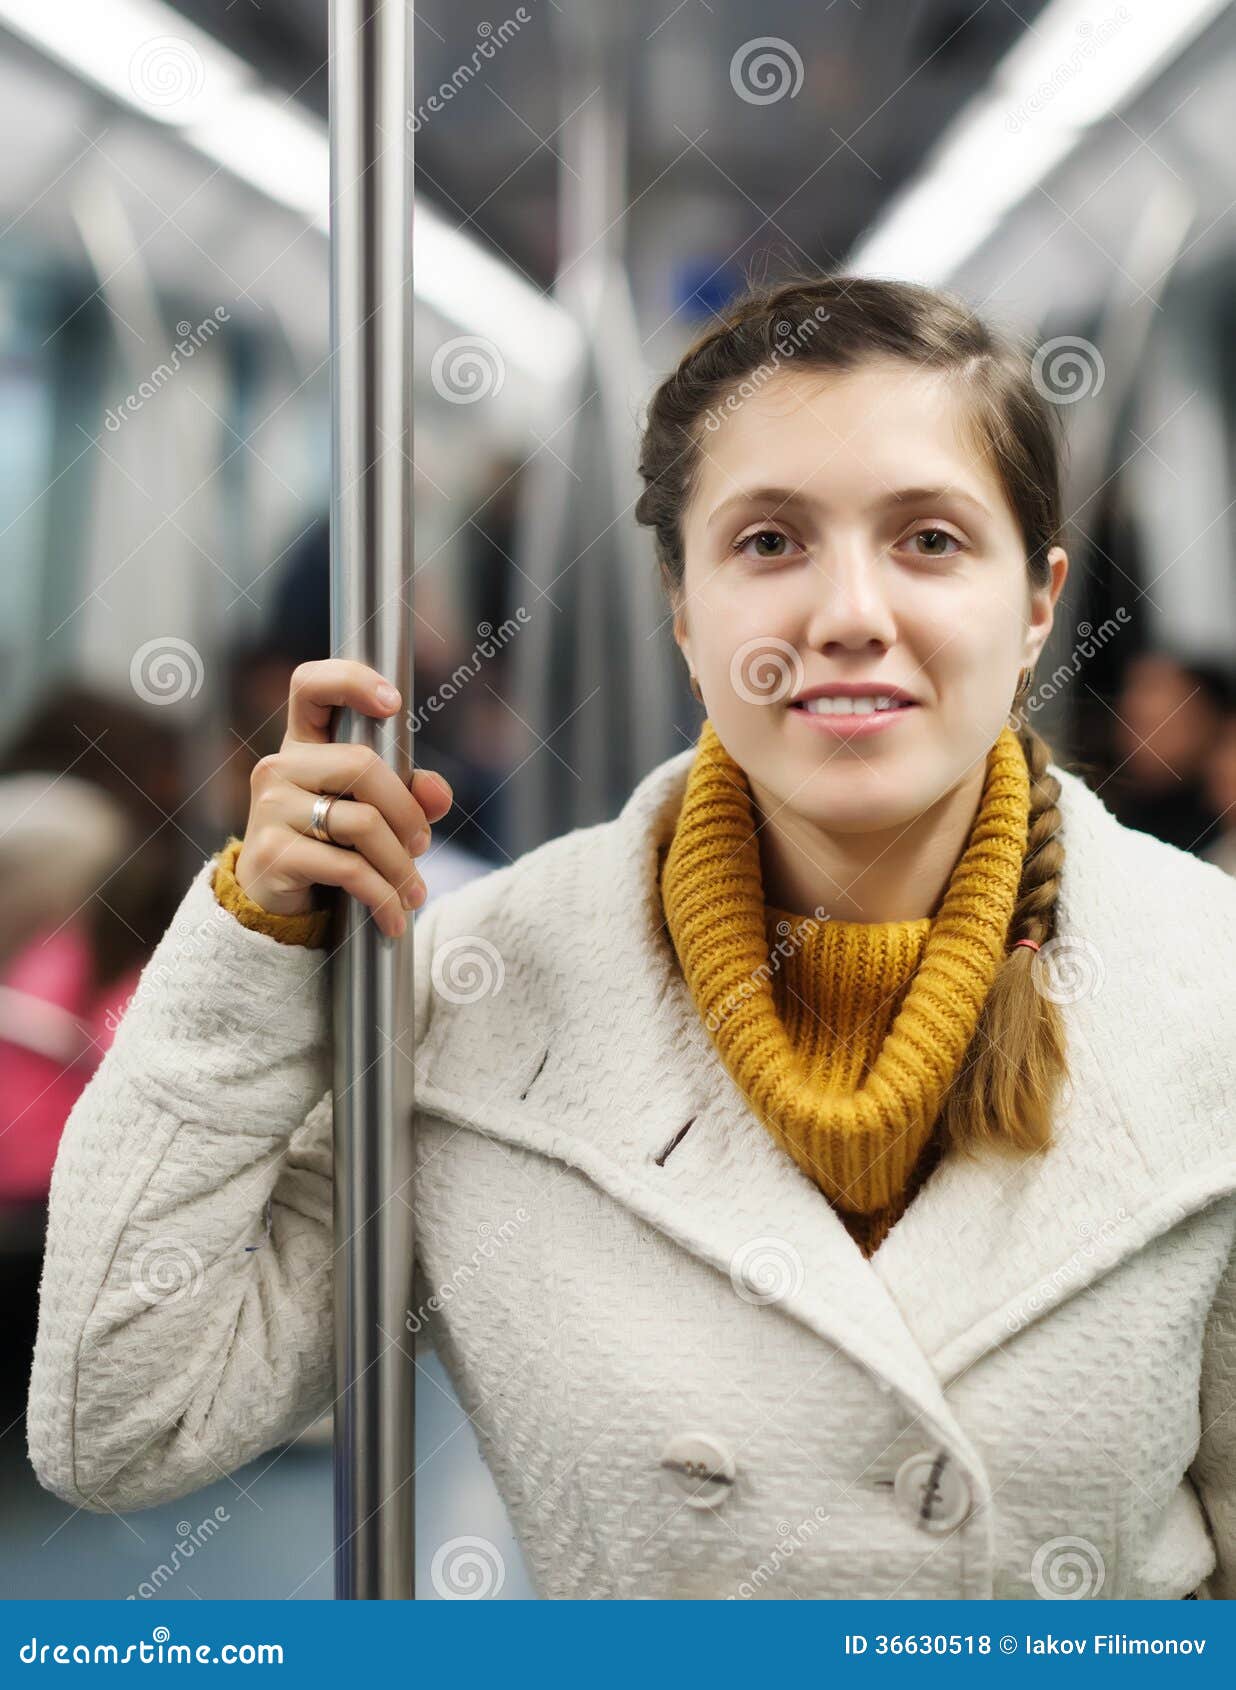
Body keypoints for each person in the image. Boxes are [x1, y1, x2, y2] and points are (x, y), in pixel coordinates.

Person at [26, 273, 1236, 1601]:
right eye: (769, 541)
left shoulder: (1204, 984)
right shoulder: (466, 993)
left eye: (930, 540)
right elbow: (121, 1418)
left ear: (1038, 604)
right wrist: (253, 952)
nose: (846, 613)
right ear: (681, 604)